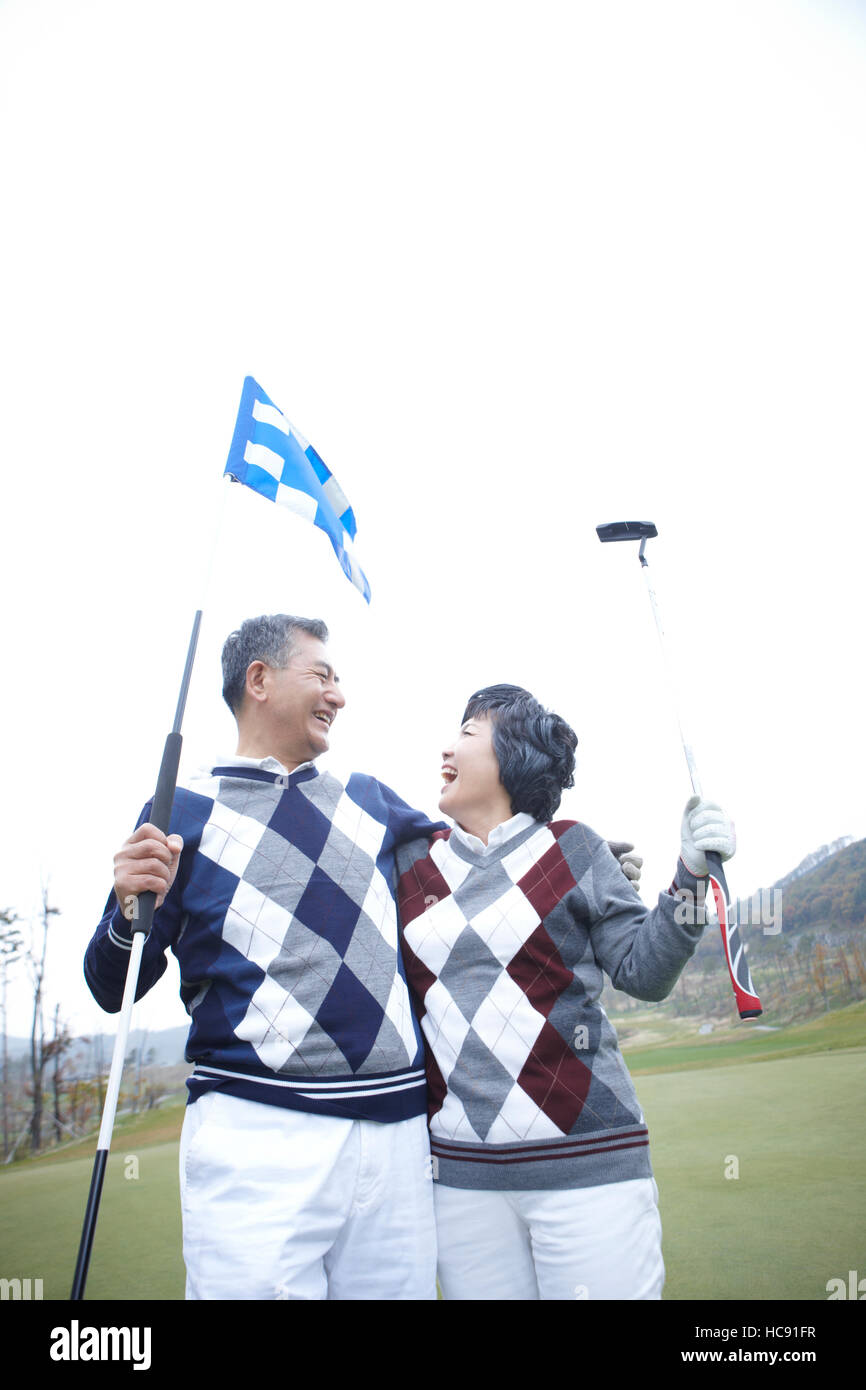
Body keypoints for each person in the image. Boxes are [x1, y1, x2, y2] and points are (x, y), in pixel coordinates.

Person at [84, 614, 446, 1301]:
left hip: (397, 1139)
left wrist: (581, 860)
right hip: (258, 1138)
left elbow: (474, 862)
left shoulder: (370, 797)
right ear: (260, 680)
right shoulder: (178, 811)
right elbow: (112, 987)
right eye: (322, 675)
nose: (338, 695)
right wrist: (127, 903)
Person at [395, 683, 735, 1301]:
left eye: (468, 735)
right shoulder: (413, 864)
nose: (447, 748)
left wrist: (690, 876)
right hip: (462, 1182)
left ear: (513, 757)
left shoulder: (573, 848)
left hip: (589, 1165)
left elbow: (643, 971)